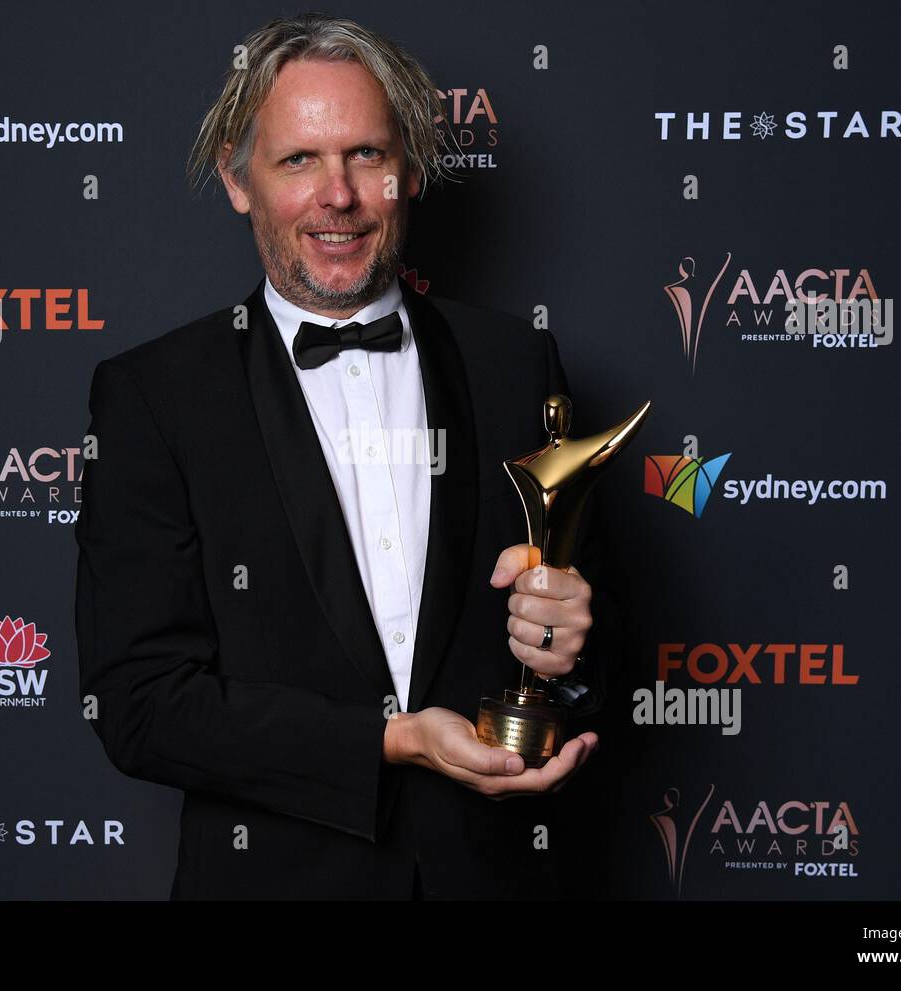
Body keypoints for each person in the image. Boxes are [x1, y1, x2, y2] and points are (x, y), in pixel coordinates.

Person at [74, 12, 617, 899]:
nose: (339, 196)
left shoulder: (516, 366)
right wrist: (389, 741)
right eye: (298, 160)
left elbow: (587, 641)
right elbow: (139, 707)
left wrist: (567, 653)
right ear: (238, 181)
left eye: (367, 154)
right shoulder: (154, 396)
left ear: (410, 168)